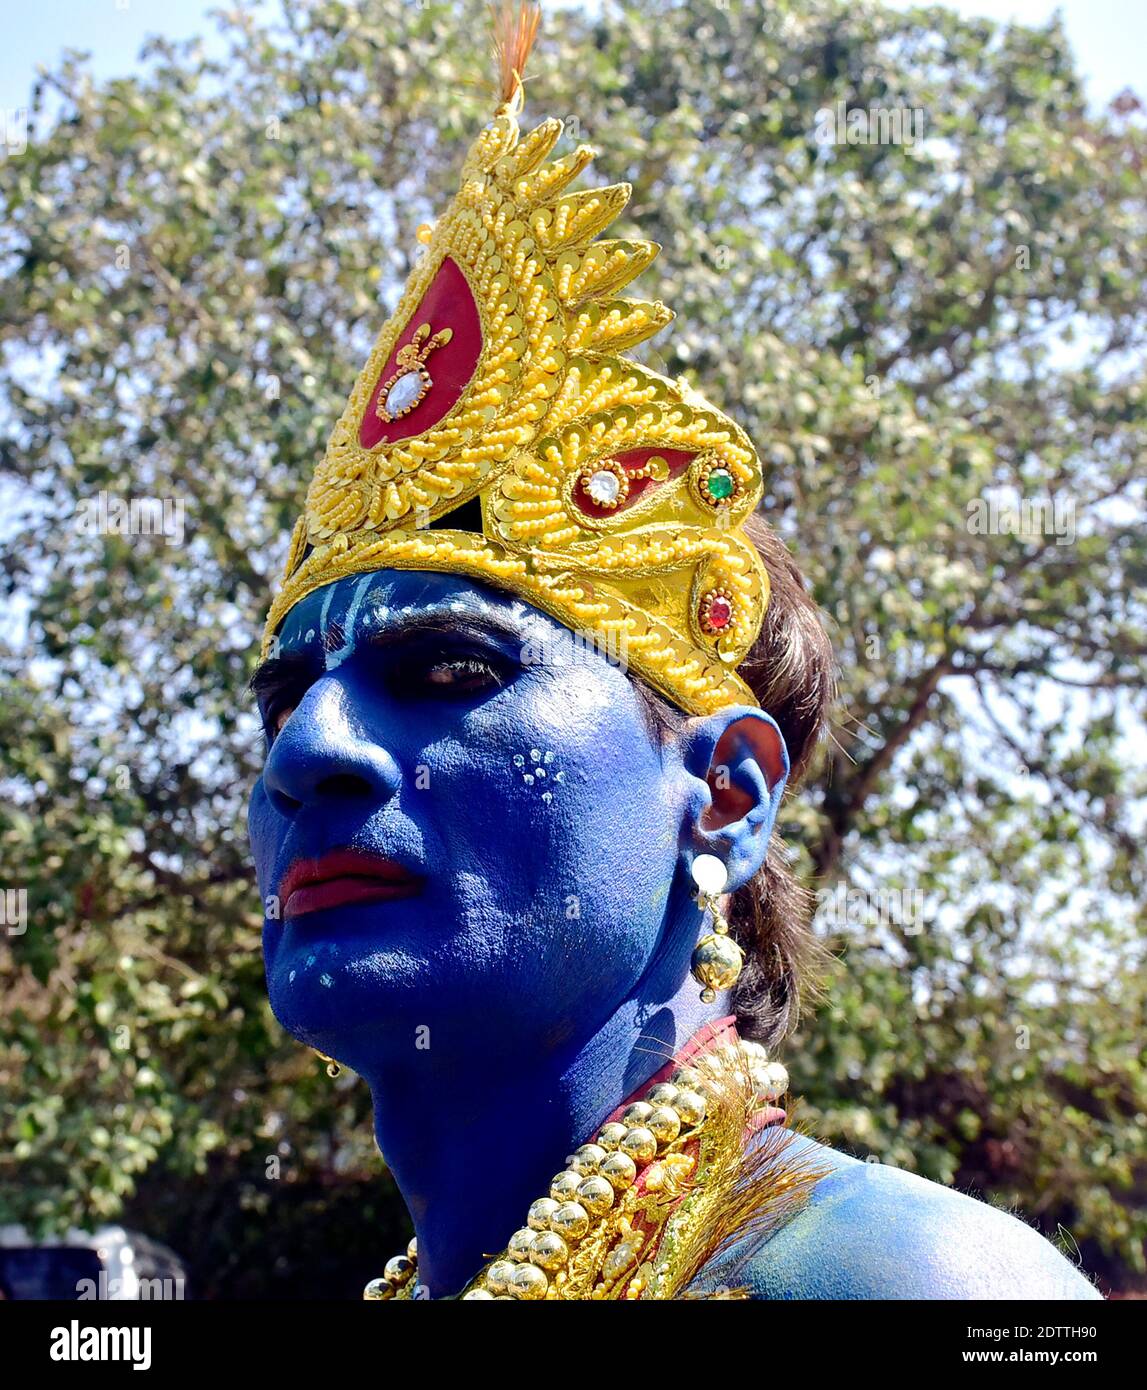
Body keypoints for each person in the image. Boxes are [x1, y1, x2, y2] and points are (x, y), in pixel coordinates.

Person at [246, 4, 1099, 1301]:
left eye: (456, 670)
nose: (309, 748)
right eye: (286, 694)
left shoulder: (922, 1284)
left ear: (726, 795)